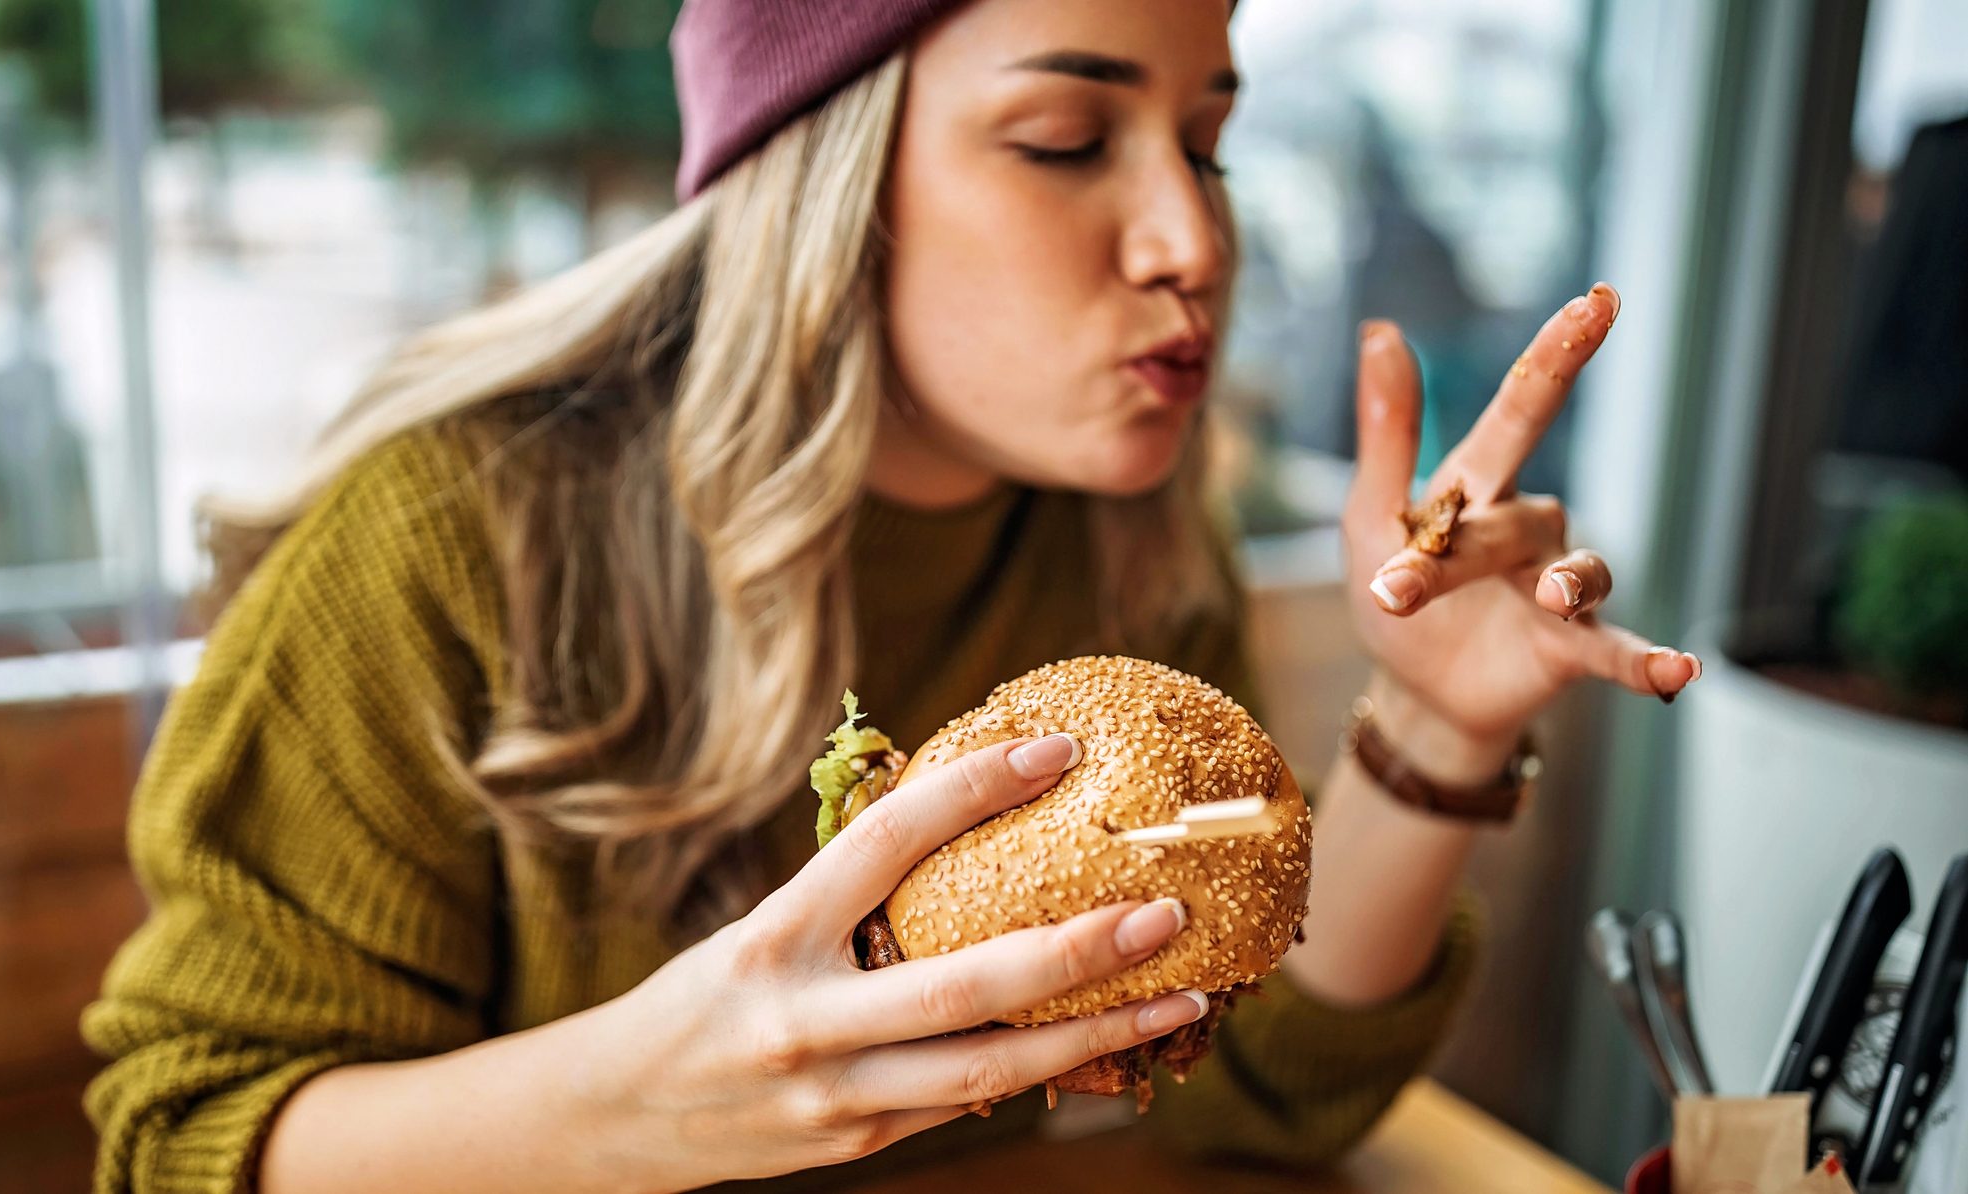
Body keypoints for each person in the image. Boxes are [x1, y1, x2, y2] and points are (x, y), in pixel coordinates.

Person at [82, 1, 1703, 1190]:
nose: (1190, 236)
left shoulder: (1122, 541)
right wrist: (622, 1104)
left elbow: (1240, 1081)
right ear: (822, 174)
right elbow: (177, 1139)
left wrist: (1431, 720)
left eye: (1206, 141)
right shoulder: (443, 543)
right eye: (1068, 139)